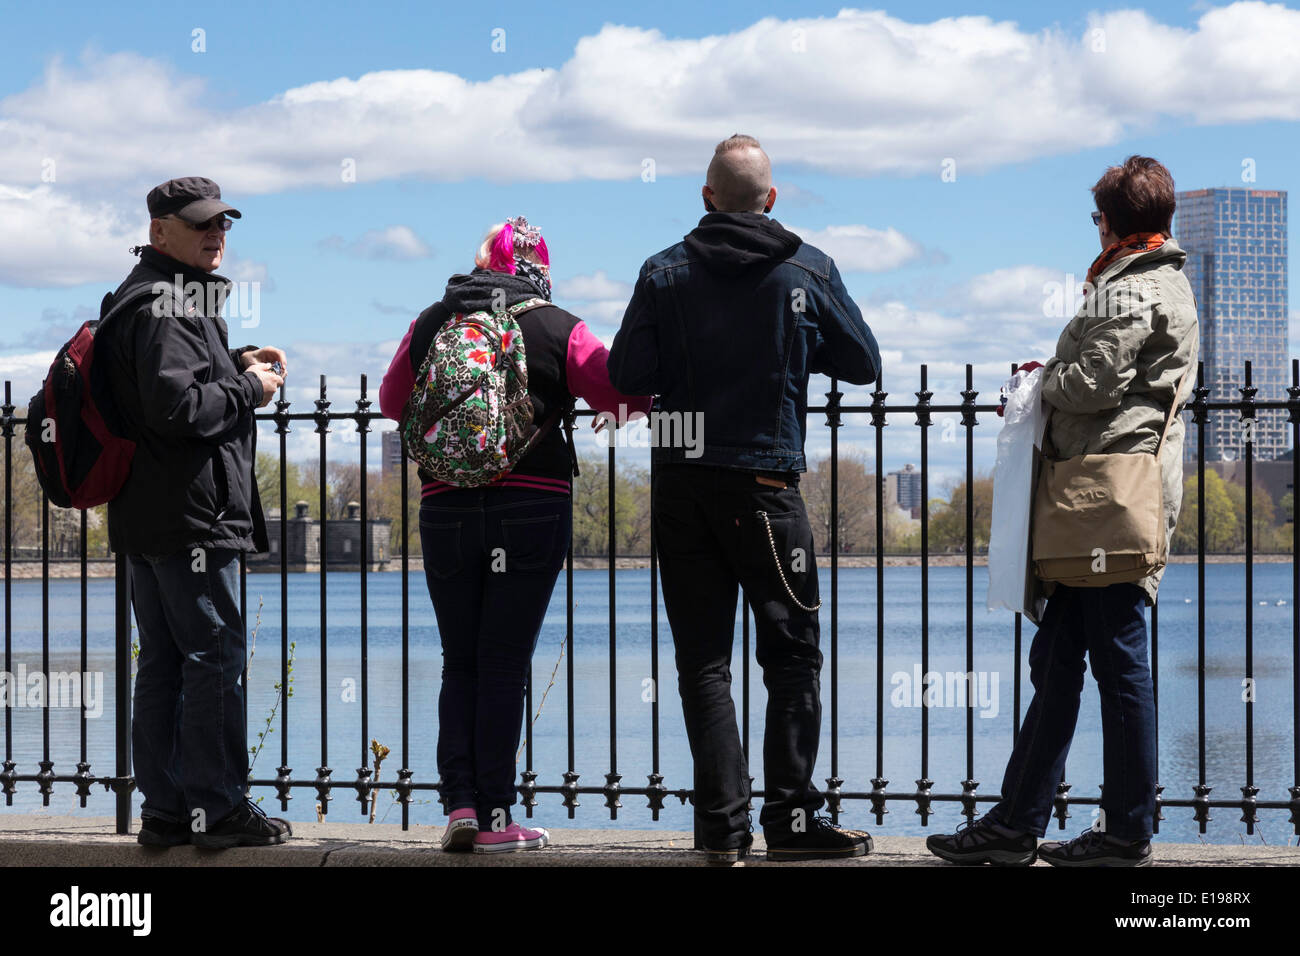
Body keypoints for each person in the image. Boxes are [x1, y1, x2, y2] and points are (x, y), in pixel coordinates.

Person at [607, 135, 881, 863]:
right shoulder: (805, 267)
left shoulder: (662, 271)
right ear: (771, 198)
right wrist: (798, 344)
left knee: (704, 661)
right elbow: (863, 361)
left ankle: (720, 832)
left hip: (682, 482)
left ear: (705, 198)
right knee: (790, 657)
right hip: (764, 486)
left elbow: (628, 370)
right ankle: (790, 821)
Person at [927, 155, 1199, 867]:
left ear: (1110, 219)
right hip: (1096, 502)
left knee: (1118, 663)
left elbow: (1091, 384)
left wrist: (1039, 382)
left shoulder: (1133, 287)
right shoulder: (1140, 280)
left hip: (1105, 502)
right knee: (1060, 662)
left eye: (1096, 216)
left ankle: (1126, 832)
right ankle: (1018, 824)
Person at [379, 216, 650, 854]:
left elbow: (394, 400)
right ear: (538, 266)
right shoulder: (558, 325)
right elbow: (619, 397)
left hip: (446, 508)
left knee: (460, 662)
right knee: (504, 661)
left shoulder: (432, 321)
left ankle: (461, 806)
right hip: (531, 507)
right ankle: (500, 817)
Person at [102, 176, 291, 848]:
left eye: (223, 224)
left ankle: (168, 812)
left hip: (148, 516)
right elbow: (177, 408)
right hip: (190, 517)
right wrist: (250, 386)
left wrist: (232, 360)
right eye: (200, 224)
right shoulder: (163, 302)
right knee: (214, 657)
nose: (216, 234)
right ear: (159, 231)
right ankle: (218, 808)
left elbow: (164, 386)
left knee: (165, 660)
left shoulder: (145, 297)